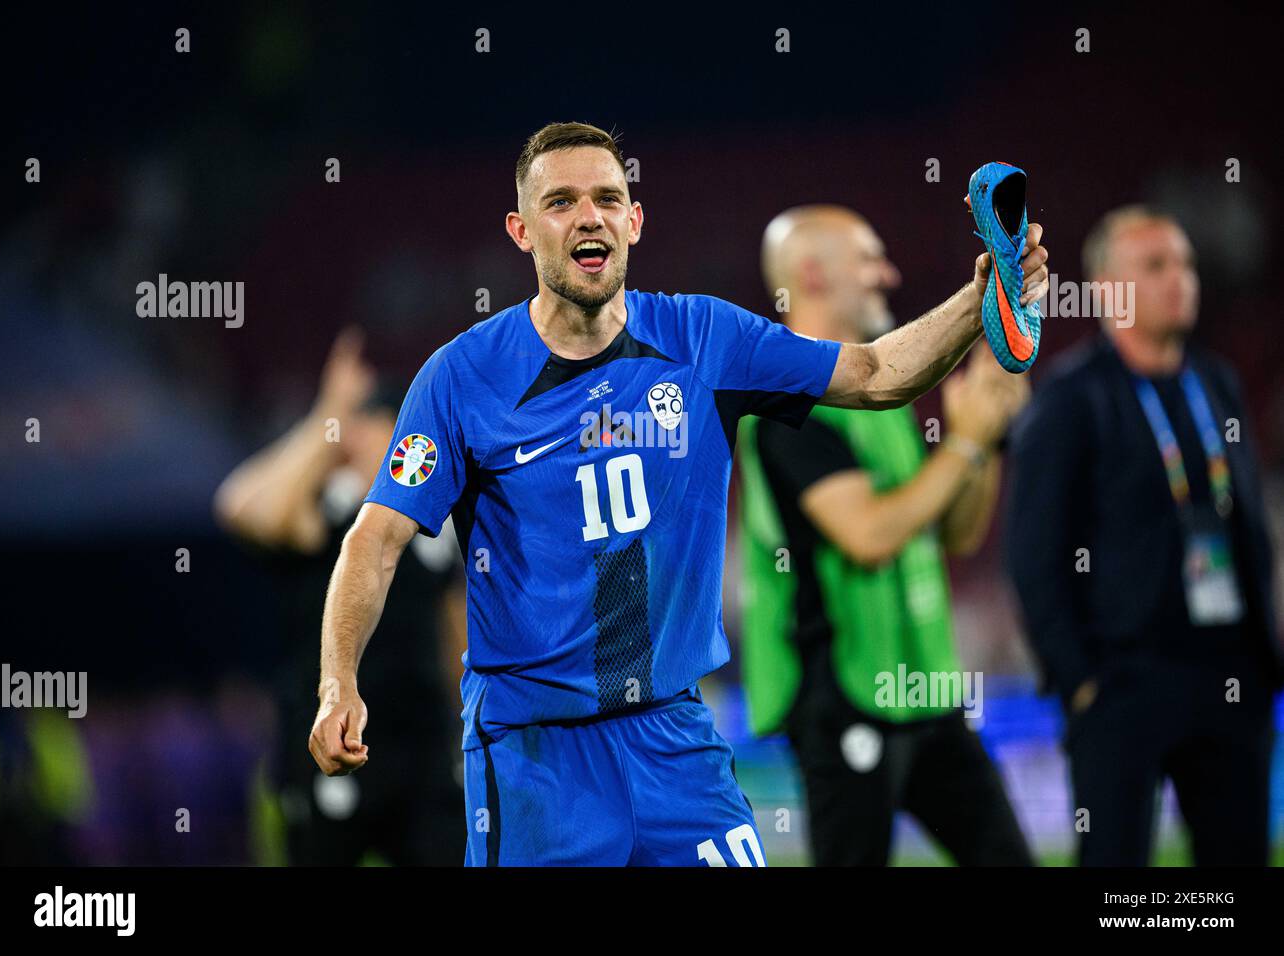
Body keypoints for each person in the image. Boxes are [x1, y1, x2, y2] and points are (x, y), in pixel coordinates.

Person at [309, 122, 1050, 866]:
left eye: (607, 197)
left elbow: (873, 372)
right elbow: (375, 539)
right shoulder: (462, 376)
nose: (588, 215)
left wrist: (980, 297)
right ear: (521, 231)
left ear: (635, 220)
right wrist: (338, 681)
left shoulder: (704, 337)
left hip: (676, 744)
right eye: (560, 202)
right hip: (537, 758)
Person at [738, 205, 1034, 865]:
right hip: (845, 695)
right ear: (812, 274)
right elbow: (869, 534)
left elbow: (952, 534)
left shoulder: (883, 400)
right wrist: (961, 444)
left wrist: (981, 444)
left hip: (925, 686)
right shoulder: (785, 401)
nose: (889, 273)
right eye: (870, 258)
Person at [1006, 206, 1281, 866]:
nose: (1179, 279)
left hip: (1229, 676)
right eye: (1155, 266)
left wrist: (1263, 659)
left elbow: (1245, 521)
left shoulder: (1214, 382)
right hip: (1124, 680)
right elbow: (1033, 553)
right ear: (1106, 288)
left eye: (1184, 263)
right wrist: (1080, 681)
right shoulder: (1070, 398)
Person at [215, 329, 466, 865]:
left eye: (368, 427)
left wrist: (468, 720)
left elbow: (454, 634)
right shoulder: (323, 513)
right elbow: (240, 507)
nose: (351, 439)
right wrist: (327, 415)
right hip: (330, 750)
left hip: (420, 754)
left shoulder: (434, 532)